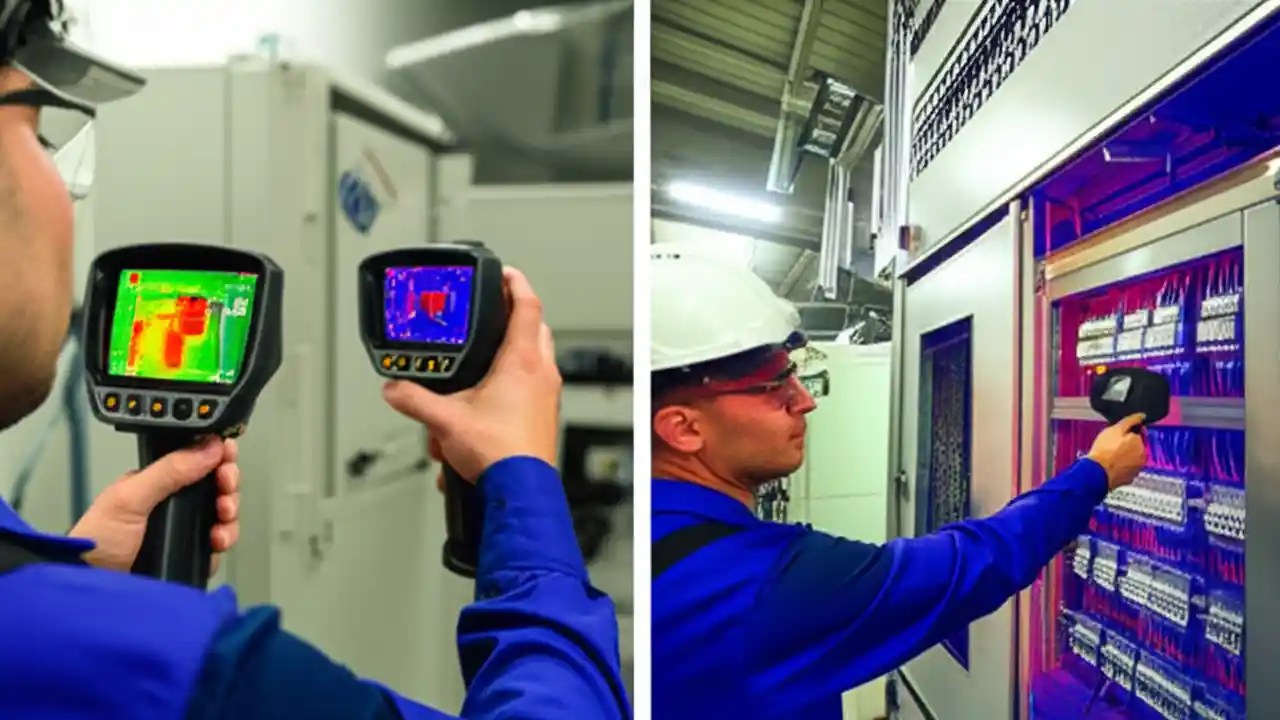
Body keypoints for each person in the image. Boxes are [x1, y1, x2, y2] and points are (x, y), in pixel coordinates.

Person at [0, 3, 629, 718]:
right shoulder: (191, 675)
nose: (67, 189)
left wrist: (90, 590)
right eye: (42, 128)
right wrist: (524, 477)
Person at [648, 244, 1148, 719]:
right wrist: (1095, 473)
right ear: (683, 428)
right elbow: (970, 565)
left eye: (794, 374)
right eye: (773, 388)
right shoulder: (752, 585)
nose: (805, 400)